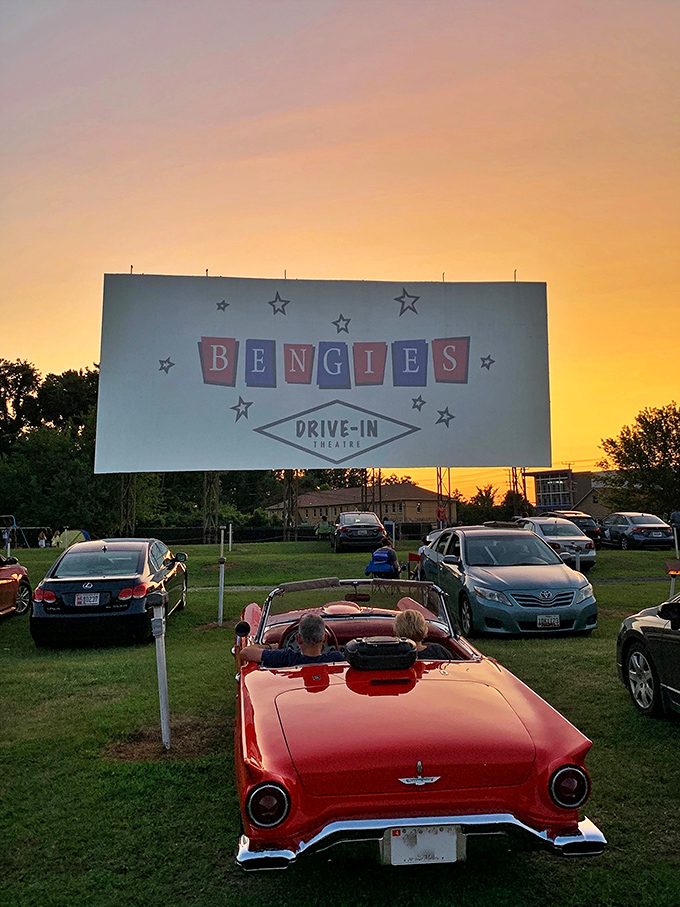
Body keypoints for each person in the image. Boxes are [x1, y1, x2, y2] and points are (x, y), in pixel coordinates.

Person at [240, 613, 345, 668]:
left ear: (299, 639)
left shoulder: (286, 657)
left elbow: (245, 652)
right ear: (324, 638)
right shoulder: (337, 658)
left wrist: (272, 647)